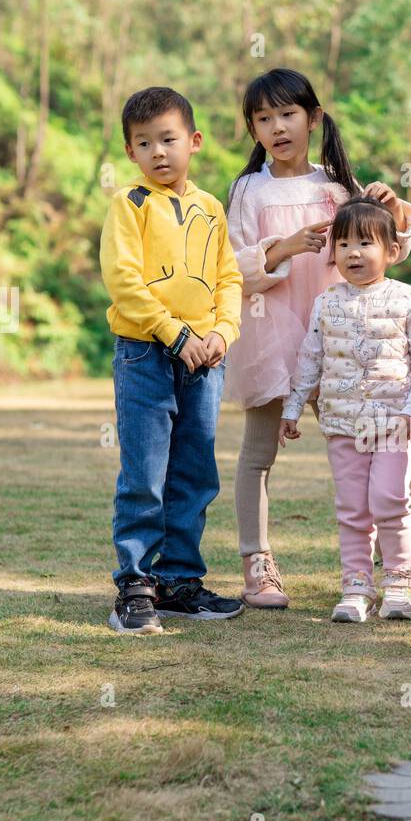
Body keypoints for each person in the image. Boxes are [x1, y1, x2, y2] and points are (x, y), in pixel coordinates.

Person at [225, 67, 411, 610]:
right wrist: (282, 248)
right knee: (259, 452)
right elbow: (231, 268)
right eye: (264, 118)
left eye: (288, 114)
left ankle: (401, 570)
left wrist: (395, 208)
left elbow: (385, 247)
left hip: (349, 338)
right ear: (253, 129)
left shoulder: (337, 185)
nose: (278, 127)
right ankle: (256, 565)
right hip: (275, 331)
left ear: (314, 119)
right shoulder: (248, 190)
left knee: (373, 454)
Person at [100, 86, 244, 634]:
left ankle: (179, 581)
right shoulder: (129, 205)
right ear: (131, 152)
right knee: (145, 471)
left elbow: (228, 277)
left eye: (168, 139)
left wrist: (222, 332)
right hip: (146, 354)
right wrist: (176, 335)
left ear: (194, 141)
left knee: (194, 471)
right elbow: (124, 281)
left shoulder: (210, 207)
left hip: (205, 360)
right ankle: (135, 586)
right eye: (144, 143)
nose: (158, 152)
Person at [279, 196, 411, 623]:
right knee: (352, 509)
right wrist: (293, 407)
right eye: (344, 243)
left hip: (393, 424)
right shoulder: (326, 302)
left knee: (390, 500)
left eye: (365, 243)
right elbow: (310, 358)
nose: (353, 252)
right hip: (342, 424)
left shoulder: (407, 300)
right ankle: (356, 586)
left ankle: (400, 584)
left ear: (391, 250)